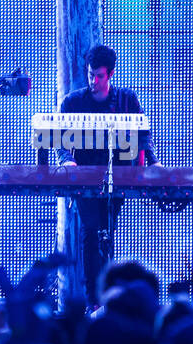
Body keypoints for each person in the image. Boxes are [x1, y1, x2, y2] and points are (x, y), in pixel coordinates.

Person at [57, 45, 157, 304]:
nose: (93, 81)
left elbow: (143, 136)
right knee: (92, 231)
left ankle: (105, 298)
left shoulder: (127, 100)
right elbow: (60, 140)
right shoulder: (72, 102)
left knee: (105, 231)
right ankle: (94, 300)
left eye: (99, 76)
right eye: (90, 74)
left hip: (118, 176)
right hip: (85, 178)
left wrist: (152, 163)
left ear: (110, 74)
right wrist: (67, 161)